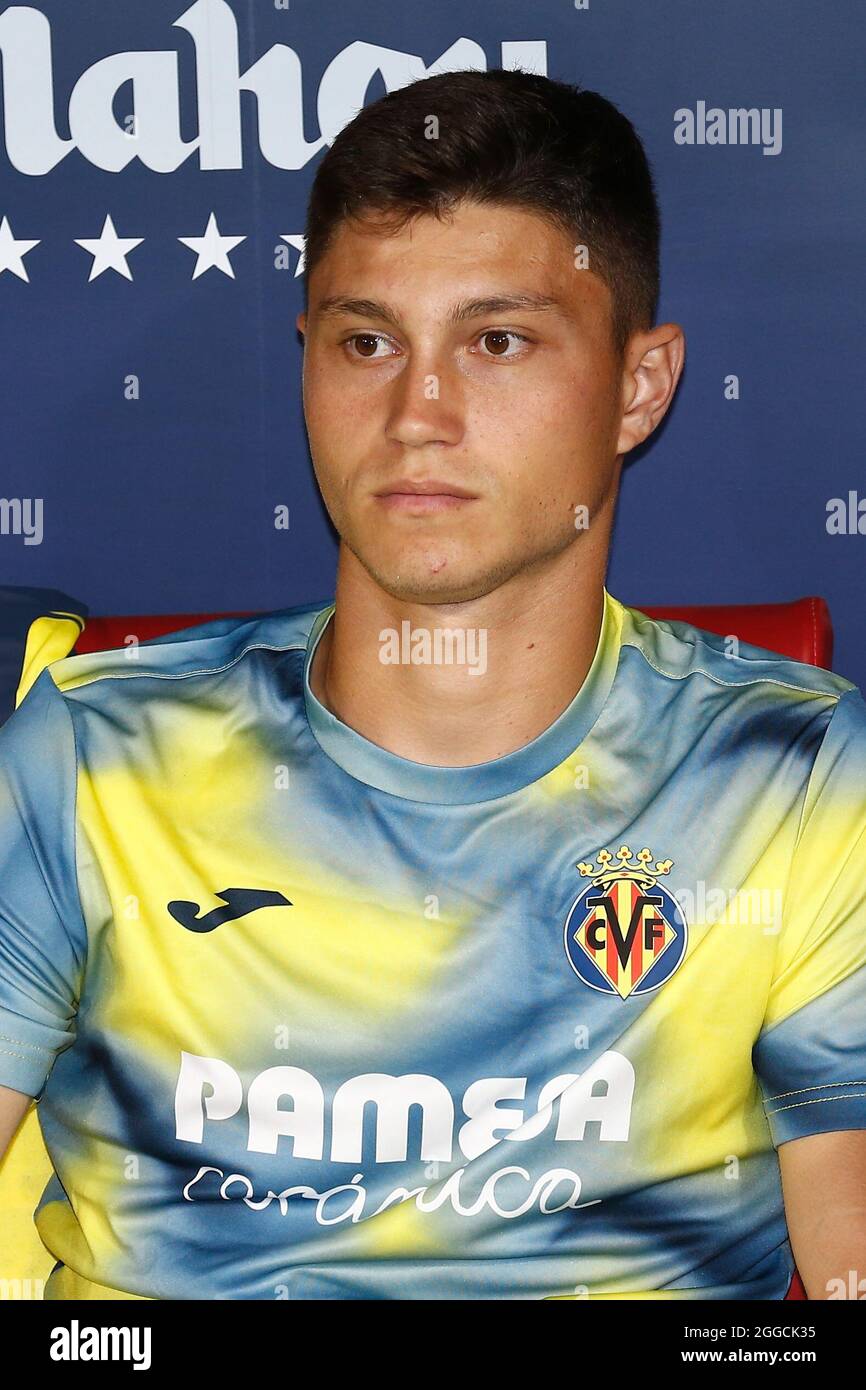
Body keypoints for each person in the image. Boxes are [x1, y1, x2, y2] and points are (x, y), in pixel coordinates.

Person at [0, 68, 864, 1302]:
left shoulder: (799, 779)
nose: (417, 412)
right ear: (305, 364)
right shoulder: (89, 755)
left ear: (639, 385)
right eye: (366, 341)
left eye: (496, 340)